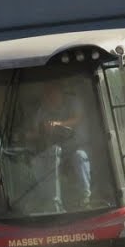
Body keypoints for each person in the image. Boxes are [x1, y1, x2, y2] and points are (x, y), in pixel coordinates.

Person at [24, 82, 93, 211]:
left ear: (60, 92)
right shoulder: (43, 110)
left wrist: (58, 124)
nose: (50, 98)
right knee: (37, 161)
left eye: (52, 93)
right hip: (55, 152)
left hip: (77, 147)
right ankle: (51, 203)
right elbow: (35, 131)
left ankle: (85, 198)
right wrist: (31, 134)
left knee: (80, 157)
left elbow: (78, 119)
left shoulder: (74, 102)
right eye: (47, 95)